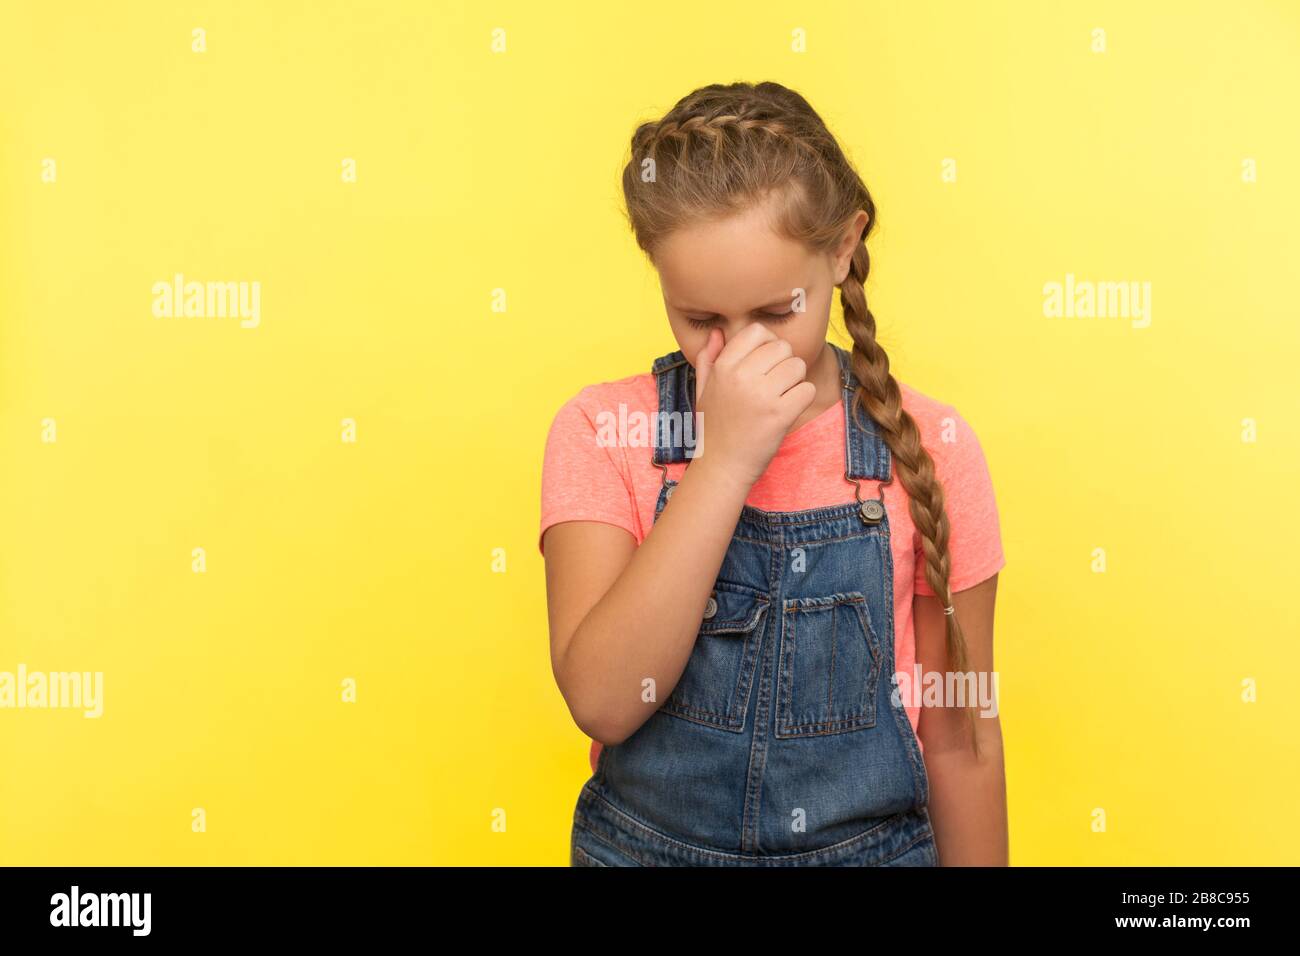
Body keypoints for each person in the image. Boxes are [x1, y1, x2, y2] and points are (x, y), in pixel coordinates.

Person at [540, 81, 1007, 866]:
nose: (740, 353)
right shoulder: (601, 432)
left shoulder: (935, 450)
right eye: (701, 320)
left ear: (841, 247)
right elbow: (605, 702)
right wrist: (722, 464)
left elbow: (961, 740)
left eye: (774, 313)